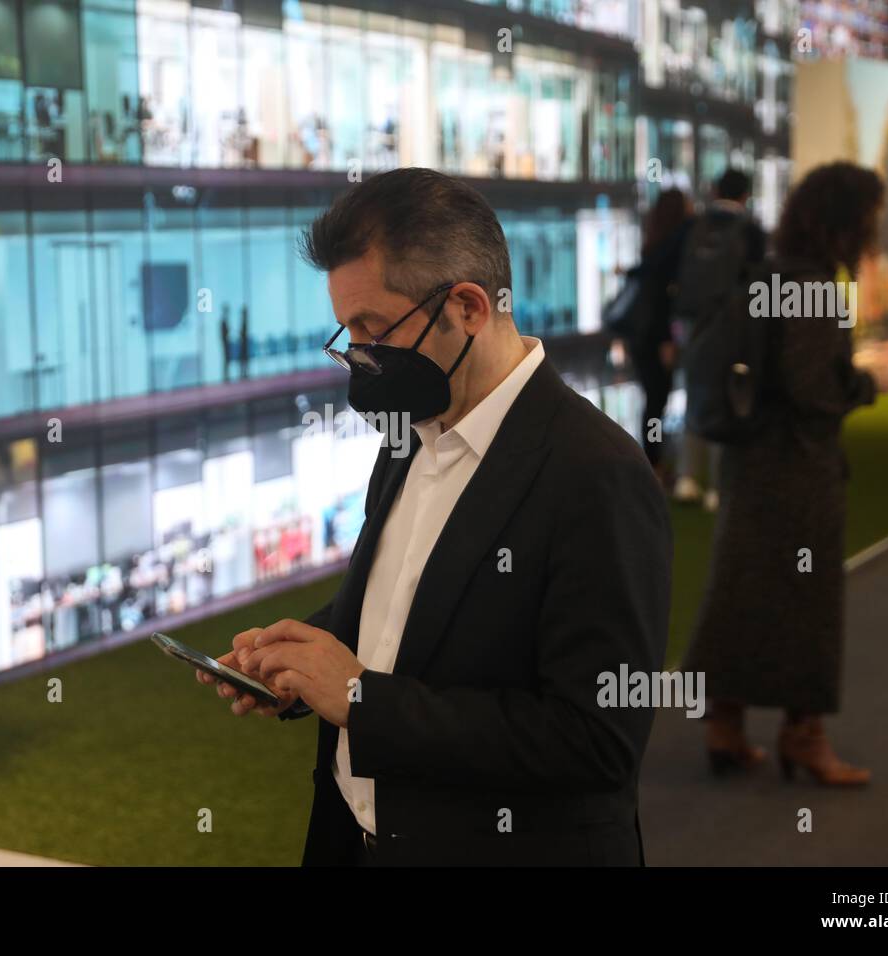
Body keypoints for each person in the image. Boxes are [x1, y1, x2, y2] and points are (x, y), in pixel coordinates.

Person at [196, 168, 671, 866]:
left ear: (469, 308)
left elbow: (595, 740)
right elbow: (411, 601)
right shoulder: (409, 436)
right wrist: (297, 658)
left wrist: (361, 699)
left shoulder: (596, 475)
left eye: (375, 328)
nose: (359, 354)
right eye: (347, 329)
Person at [683, 162, 888, 786]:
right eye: (869, 217)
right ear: (845, 220)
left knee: (740, 594)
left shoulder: (771, 276)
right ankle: (804, 735)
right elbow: (812, 390)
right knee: (807, 604)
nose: (873, 229)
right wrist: (870, 383)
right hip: (798, 472)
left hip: (752, 465)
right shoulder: (813, 286)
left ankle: (724, 725)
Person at [672, 168, 766, 512]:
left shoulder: (692, 227)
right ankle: (718, 486)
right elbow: (759, 285)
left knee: (693, 395)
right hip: (733, 326)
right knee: (729, 398)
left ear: (714, 191)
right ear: (746, 195)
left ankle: (686, 478)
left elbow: (677, 277)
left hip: (692, 325)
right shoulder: (752, 231)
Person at [629, 188, 693, 482]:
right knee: (657, 400)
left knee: (652, 400)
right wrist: (667, 339)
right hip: (655, 336)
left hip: (640, 335)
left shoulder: (652, 244)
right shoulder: (673, 247)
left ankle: (653, 460)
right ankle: (652, 463)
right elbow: (662, 301)